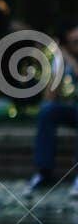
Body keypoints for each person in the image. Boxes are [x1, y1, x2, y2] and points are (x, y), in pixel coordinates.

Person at [26, 23, 78, 196]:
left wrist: (69, 59)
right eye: (74, 42)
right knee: (47, 111)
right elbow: (50, 97)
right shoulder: (62, 59)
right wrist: (60, 64)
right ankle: (43, 172)